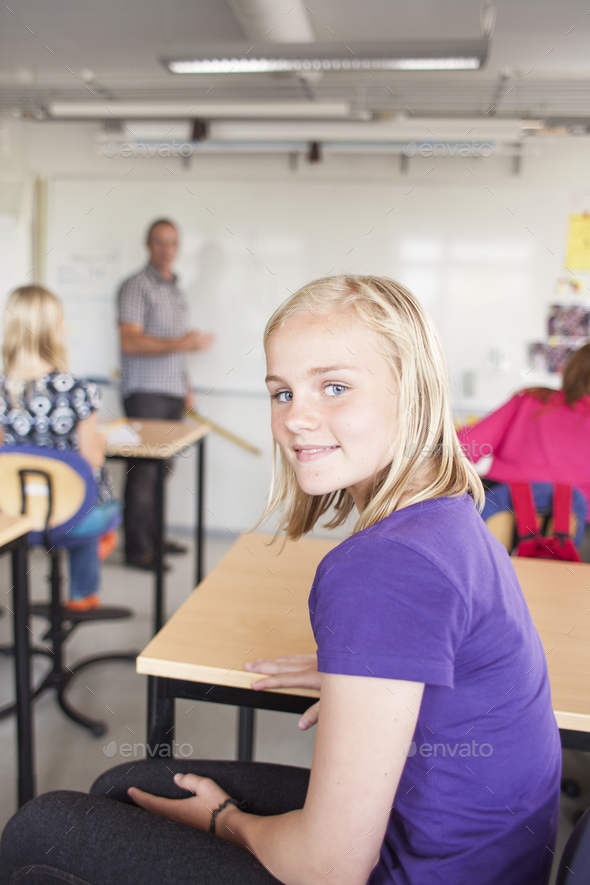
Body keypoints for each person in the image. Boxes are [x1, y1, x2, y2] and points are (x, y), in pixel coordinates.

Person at [0, 275, 561, 885]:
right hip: (494, 860)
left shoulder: (378, 568)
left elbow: (326, 869)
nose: (297, 418)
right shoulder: (450, 513)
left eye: (335, 387)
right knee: (124, 783)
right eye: (281, 393)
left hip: (412, 872)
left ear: (415, 391)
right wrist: (360, 672)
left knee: (42, 828)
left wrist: (225, 819)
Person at [0, 285, 119, 610]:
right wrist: (101, 442)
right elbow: (91, 459)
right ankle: (82, 595)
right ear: (54, 330)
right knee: (100, 502)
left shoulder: (2, 392)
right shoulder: (79, 390)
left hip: (18, 517)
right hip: (72, 517)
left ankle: (21, 608)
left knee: (73, 497)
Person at [118, 218, 214, 570]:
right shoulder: (135, 286)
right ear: (148, 244)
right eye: (159, 242)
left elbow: (178, 348)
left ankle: (155, 539)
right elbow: (130, 340)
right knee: (143, 472)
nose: (165, 249)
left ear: (178, 247)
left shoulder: (175, 289)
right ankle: (138, 550)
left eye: (172, 243)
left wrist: (186, 390)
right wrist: (182, 342)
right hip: (146, 393)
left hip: (172, 392)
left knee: (162, 471)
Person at [457, 343, 590, 555]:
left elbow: (462, 448)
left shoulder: (532, 399)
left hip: (493, 511)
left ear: (573, 370)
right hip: (577, 539)